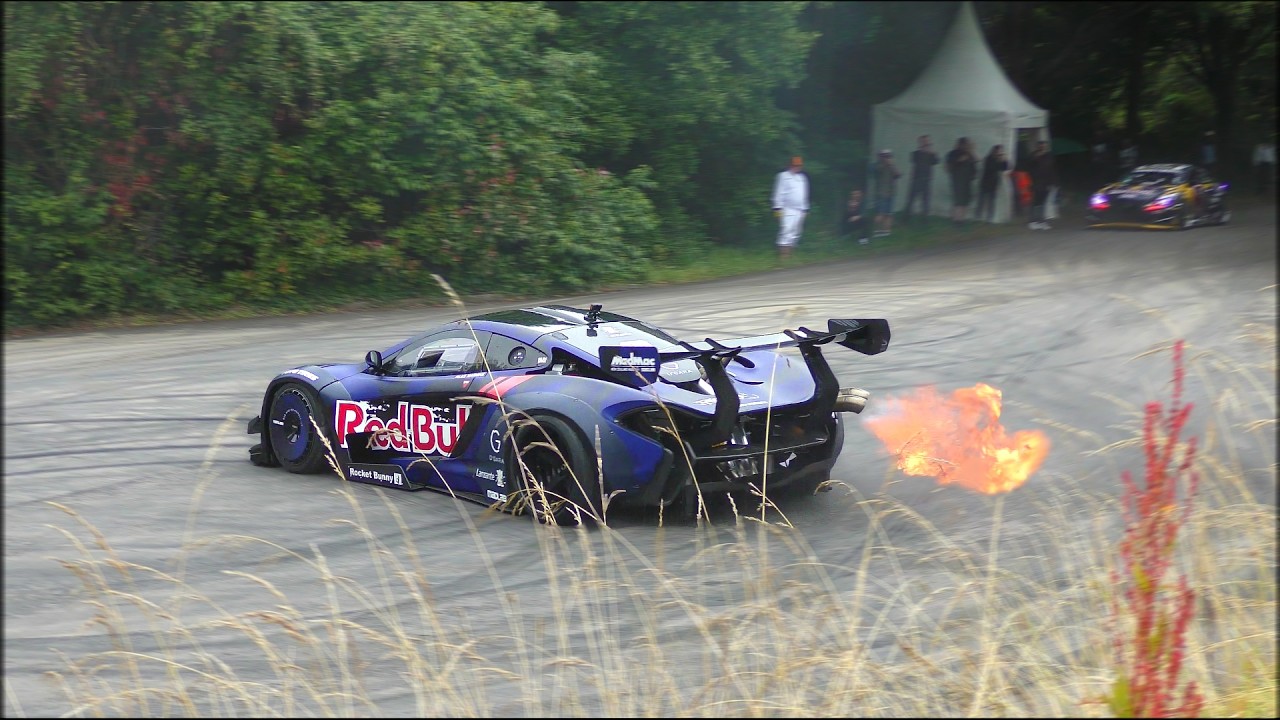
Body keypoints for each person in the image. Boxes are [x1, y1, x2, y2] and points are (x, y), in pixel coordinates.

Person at [771, 155, 809, 261]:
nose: (797, 167)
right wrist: (777, 210)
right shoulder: (783, 176)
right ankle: (783, 256)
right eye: (795, 165)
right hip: (787, 208)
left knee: (796, 232)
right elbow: (778, 193)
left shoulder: (802, 178)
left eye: (799, 165)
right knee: (785, 230)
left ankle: (790, 255)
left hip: (799, 210)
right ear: (790, 165)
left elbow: (804, 194)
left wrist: (805, 209)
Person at [903, 135, 939, 220]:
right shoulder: (916, 153)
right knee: (911, 200)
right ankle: (906, 218)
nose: (926, 143)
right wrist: (923, 150)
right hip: (916, 179)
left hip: (926, 180)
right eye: (924, 141)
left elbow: (936, 161)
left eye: (927, 141)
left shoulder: (931, 154)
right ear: (920, 142)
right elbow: (914, 160)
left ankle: (924, 219)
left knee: (925, 201)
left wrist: (931, 153)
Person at [945, 137, 978, 224]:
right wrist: (960, 160)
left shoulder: (970, 154)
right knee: (958, 202)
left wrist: (973, 175)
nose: (967, 146)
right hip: (958, 181)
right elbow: (949, 167)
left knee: (965, 202)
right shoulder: (953, 153)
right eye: (966, 144)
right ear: (961, 144)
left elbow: (974, 165)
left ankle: (961, 219)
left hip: (967, 181)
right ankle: (956, 220)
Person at [1026, 139, 1058, 230]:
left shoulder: (1049, 156)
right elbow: (1029, 165)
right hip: (1036, 182)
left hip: (1046, 183)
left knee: (1043, 203)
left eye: (1044, 145)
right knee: (1035, 202)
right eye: (1042, 145)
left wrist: (1054, 182)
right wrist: (1037, 156)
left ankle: (1042, 221)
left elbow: (1052, 170)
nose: (1043, 147)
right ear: (1038, 146)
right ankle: (1033, 221)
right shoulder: (1034, 155)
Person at [870, 149, 901, 237]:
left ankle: (886, 231)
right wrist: (885, 164)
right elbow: (876, 171)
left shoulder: (891, 166)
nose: (888, 158)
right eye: (886, 156)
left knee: (889, 214)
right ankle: (876, 230)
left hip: (891, 193)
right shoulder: (876, 166)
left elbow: (898, 175)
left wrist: (892, 165)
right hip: (881, 194)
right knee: (880, 213)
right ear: (881, 157)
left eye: (889, 156)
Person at [975, 144, 1009, 223]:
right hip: (985, 182)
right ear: (994, 151)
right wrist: (998, 160)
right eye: (998, 151)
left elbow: (1005, 168)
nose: (999, 153)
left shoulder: (999, 159)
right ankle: (978, 217)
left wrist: (1004, 160)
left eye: (1001, 151)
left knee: (991, 202)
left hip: (994, 184)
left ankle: (989, 218)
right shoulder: (988, 159)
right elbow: (991, 168)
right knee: (981, 201)